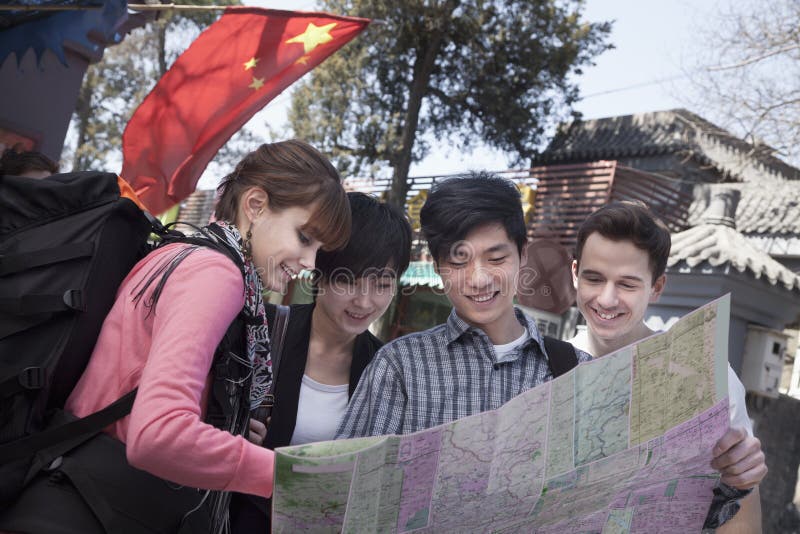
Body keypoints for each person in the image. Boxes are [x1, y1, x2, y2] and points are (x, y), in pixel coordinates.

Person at [2, 140, 351, 532]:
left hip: (67, 489)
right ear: (255, 205)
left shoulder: (175, 252)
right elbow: (159, 434)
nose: (310, 262)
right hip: (98, 508)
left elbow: (131, 381)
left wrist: (222, 426)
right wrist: (295, 476)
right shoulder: (216, 274)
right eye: (305, 237)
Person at [336, 173, 591, 438]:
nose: (479, 280)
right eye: (459, 262)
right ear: (437, 266)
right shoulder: (400, 366)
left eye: (496, 258)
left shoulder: (579, 372)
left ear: (523, 252)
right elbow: (348, 475)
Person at [569, 201, 767, 532]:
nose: (606, 299)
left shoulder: (705, 376)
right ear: (575, 273)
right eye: (594, 278)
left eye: (627, 284)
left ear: (656, 287)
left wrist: (745, 475)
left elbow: (741, 505)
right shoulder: (545, 366)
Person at [231, 191, 412, 532]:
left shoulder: (386, 367)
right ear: (319, 274)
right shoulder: (263, 330)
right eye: (347, 280)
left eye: (382, 284)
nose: (364, 300)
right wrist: (233, 428)